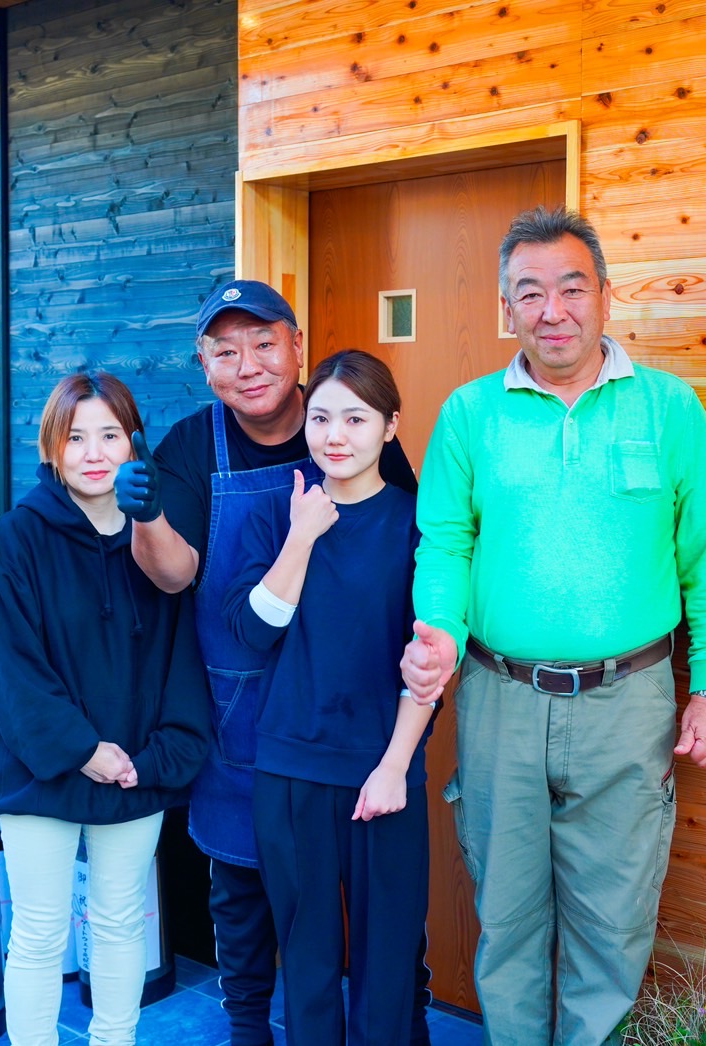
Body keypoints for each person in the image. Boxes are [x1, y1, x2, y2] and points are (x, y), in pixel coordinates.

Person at [402, 207, 706, 1044]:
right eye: (530, 293)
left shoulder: (668, 409)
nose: (552, 311)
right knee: (507, 921)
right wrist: (437, 631)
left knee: (613, 926)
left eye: (571, 288)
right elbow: (445, 543)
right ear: (506, 309)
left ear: (604, 295)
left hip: (628, 705)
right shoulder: (469, 415)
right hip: (499, 698)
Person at [113, 281, 428, 1046]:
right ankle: (249, 1032)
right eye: (225, 351)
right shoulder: (195, 448)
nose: (247, 365)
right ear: (204, 364)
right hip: (241, 715)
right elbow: (178, 575)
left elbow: (415, 589)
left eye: (263, 343)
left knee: (386, 931)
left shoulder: (359, 440)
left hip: (363, 723)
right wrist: (145, 516)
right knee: (250, 899)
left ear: (296, 345)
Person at [0, 371, 211, 1046]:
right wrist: (82, 750)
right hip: (41, 766)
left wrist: (157, 756)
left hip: (135, 764)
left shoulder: (156, 541)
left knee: (118, 922)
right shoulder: (15, 539)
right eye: (75, 437)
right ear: (52, 447)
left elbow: (180, 657)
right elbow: (11, 668)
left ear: (135, 443)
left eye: (110, 435)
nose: (93, 453)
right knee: (41, 931)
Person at [224, 349, 433, 1044]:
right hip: (290, 773)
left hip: (386, 774)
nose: (334, 435)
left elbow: (428, 662)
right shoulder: (278, 513)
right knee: (308, 967)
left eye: (355, 419)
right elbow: (255, 631)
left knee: (388, 967)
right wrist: (303, 535)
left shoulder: (417, 525)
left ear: (390, 426)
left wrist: (395, 767)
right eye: (320, 418)